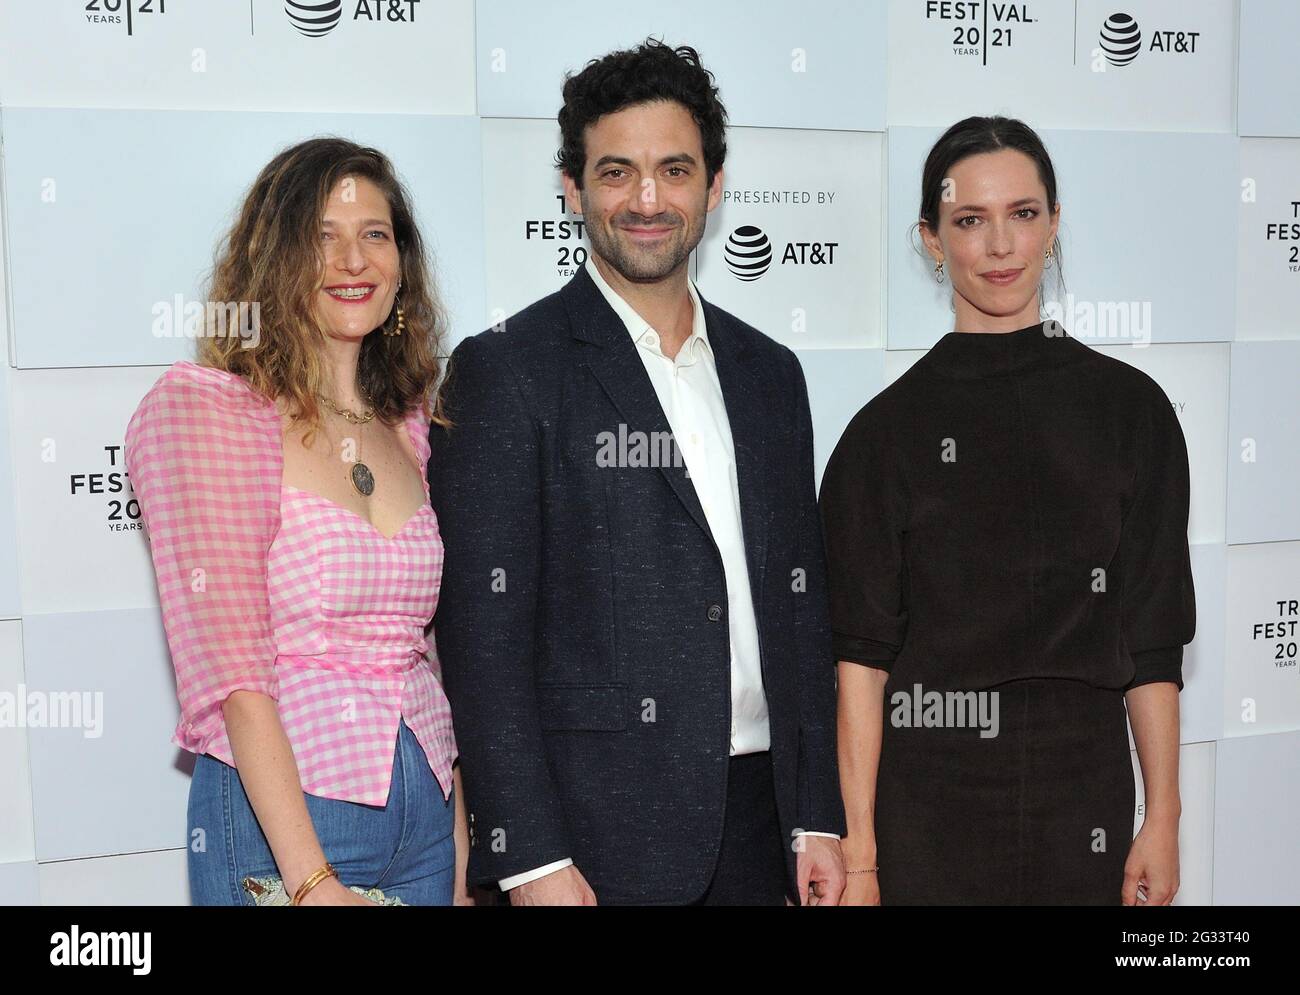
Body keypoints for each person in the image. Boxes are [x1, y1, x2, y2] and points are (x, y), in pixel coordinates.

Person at [429, 39, 845, 906]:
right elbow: (481, 640)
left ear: (715, 185)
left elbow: (800, 613)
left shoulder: (773, 375)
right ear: (573, 189)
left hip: (765, 833)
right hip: (589, 846)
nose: (647, 200)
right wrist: (531, 856)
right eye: (617, 172)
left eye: (674, 170)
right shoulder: (509, 370)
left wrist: (818, 817)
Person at [823, 115, 1195, 906]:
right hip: (929, 808)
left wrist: (1162, 815)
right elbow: (859, 660)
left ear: (1054, 225)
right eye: (969, 220)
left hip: (1083, 806)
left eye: (1023, 215)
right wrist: (861, 855)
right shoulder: (882, 436)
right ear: (930, 239)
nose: (1000, 247)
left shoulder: (1133, 413)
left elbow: (1151, 641)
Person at [125, 138, 467, 906]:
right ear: (277, 261)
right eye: (322, 236)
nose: (353, 258)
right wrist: (312, 883)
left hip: (424, 825)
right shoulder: (213, 415)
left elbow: (424, 654)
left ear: (402, 262)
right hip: (286, 824)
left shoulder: (410, 423)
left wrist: (459, 839)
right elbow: (236, 681)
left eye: (374, 234)